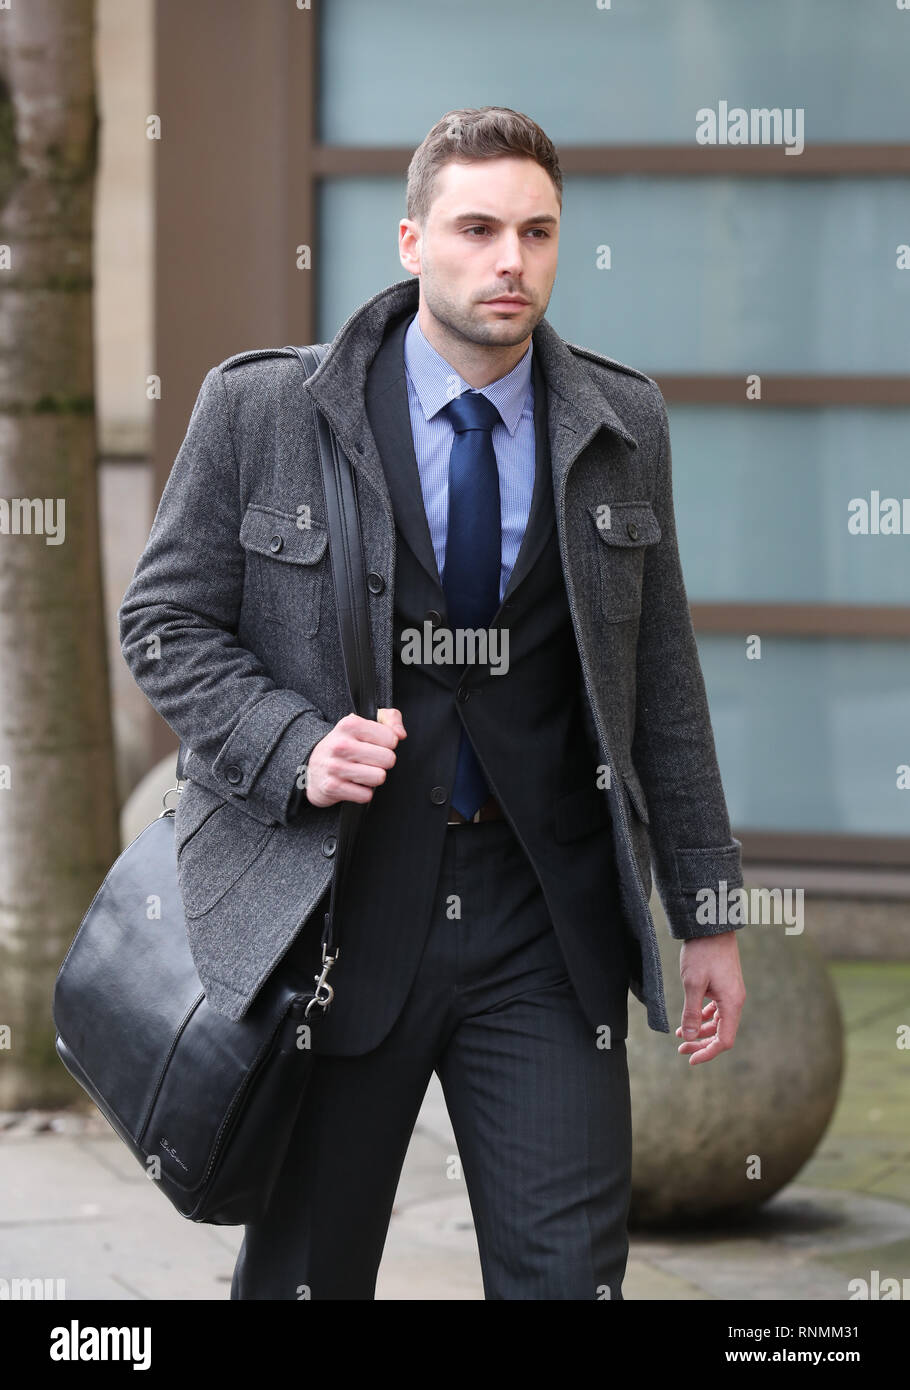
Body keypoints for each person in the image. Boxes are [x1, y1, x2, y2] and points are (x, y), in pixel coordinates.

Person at [118, 105, 747, 1300]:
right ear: (410, 240)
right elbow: (163, 623)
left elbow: (660, 680)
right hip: (333, 913)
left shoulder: (623, 425)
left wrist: (708, 909)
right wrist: (293, 746)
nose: (508, 259)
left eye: (536, 231)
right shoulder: (263, 411)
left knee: (568, 1280)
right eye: (475, 228)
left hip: (541, 918)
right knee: (308, 1275)